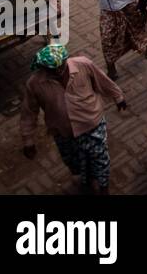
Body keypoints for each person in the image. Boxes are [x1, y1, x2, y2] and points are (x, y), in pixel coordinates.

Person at [21, 44, 127, 195]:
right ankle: (87, 180)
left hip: (92, 123)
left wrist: (118, 97)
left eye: (61, 67)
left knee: (100, 158)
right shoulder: (35, 83)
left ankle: (104, 187)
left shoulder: (83, 64)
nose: (58, 72)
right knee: (74, 162)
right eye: (52, 70)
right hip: (63, 132)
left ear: (66, 59)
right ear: (43, 68)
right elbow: (29, 112)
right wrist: (28, 140)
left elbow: (102, 81)